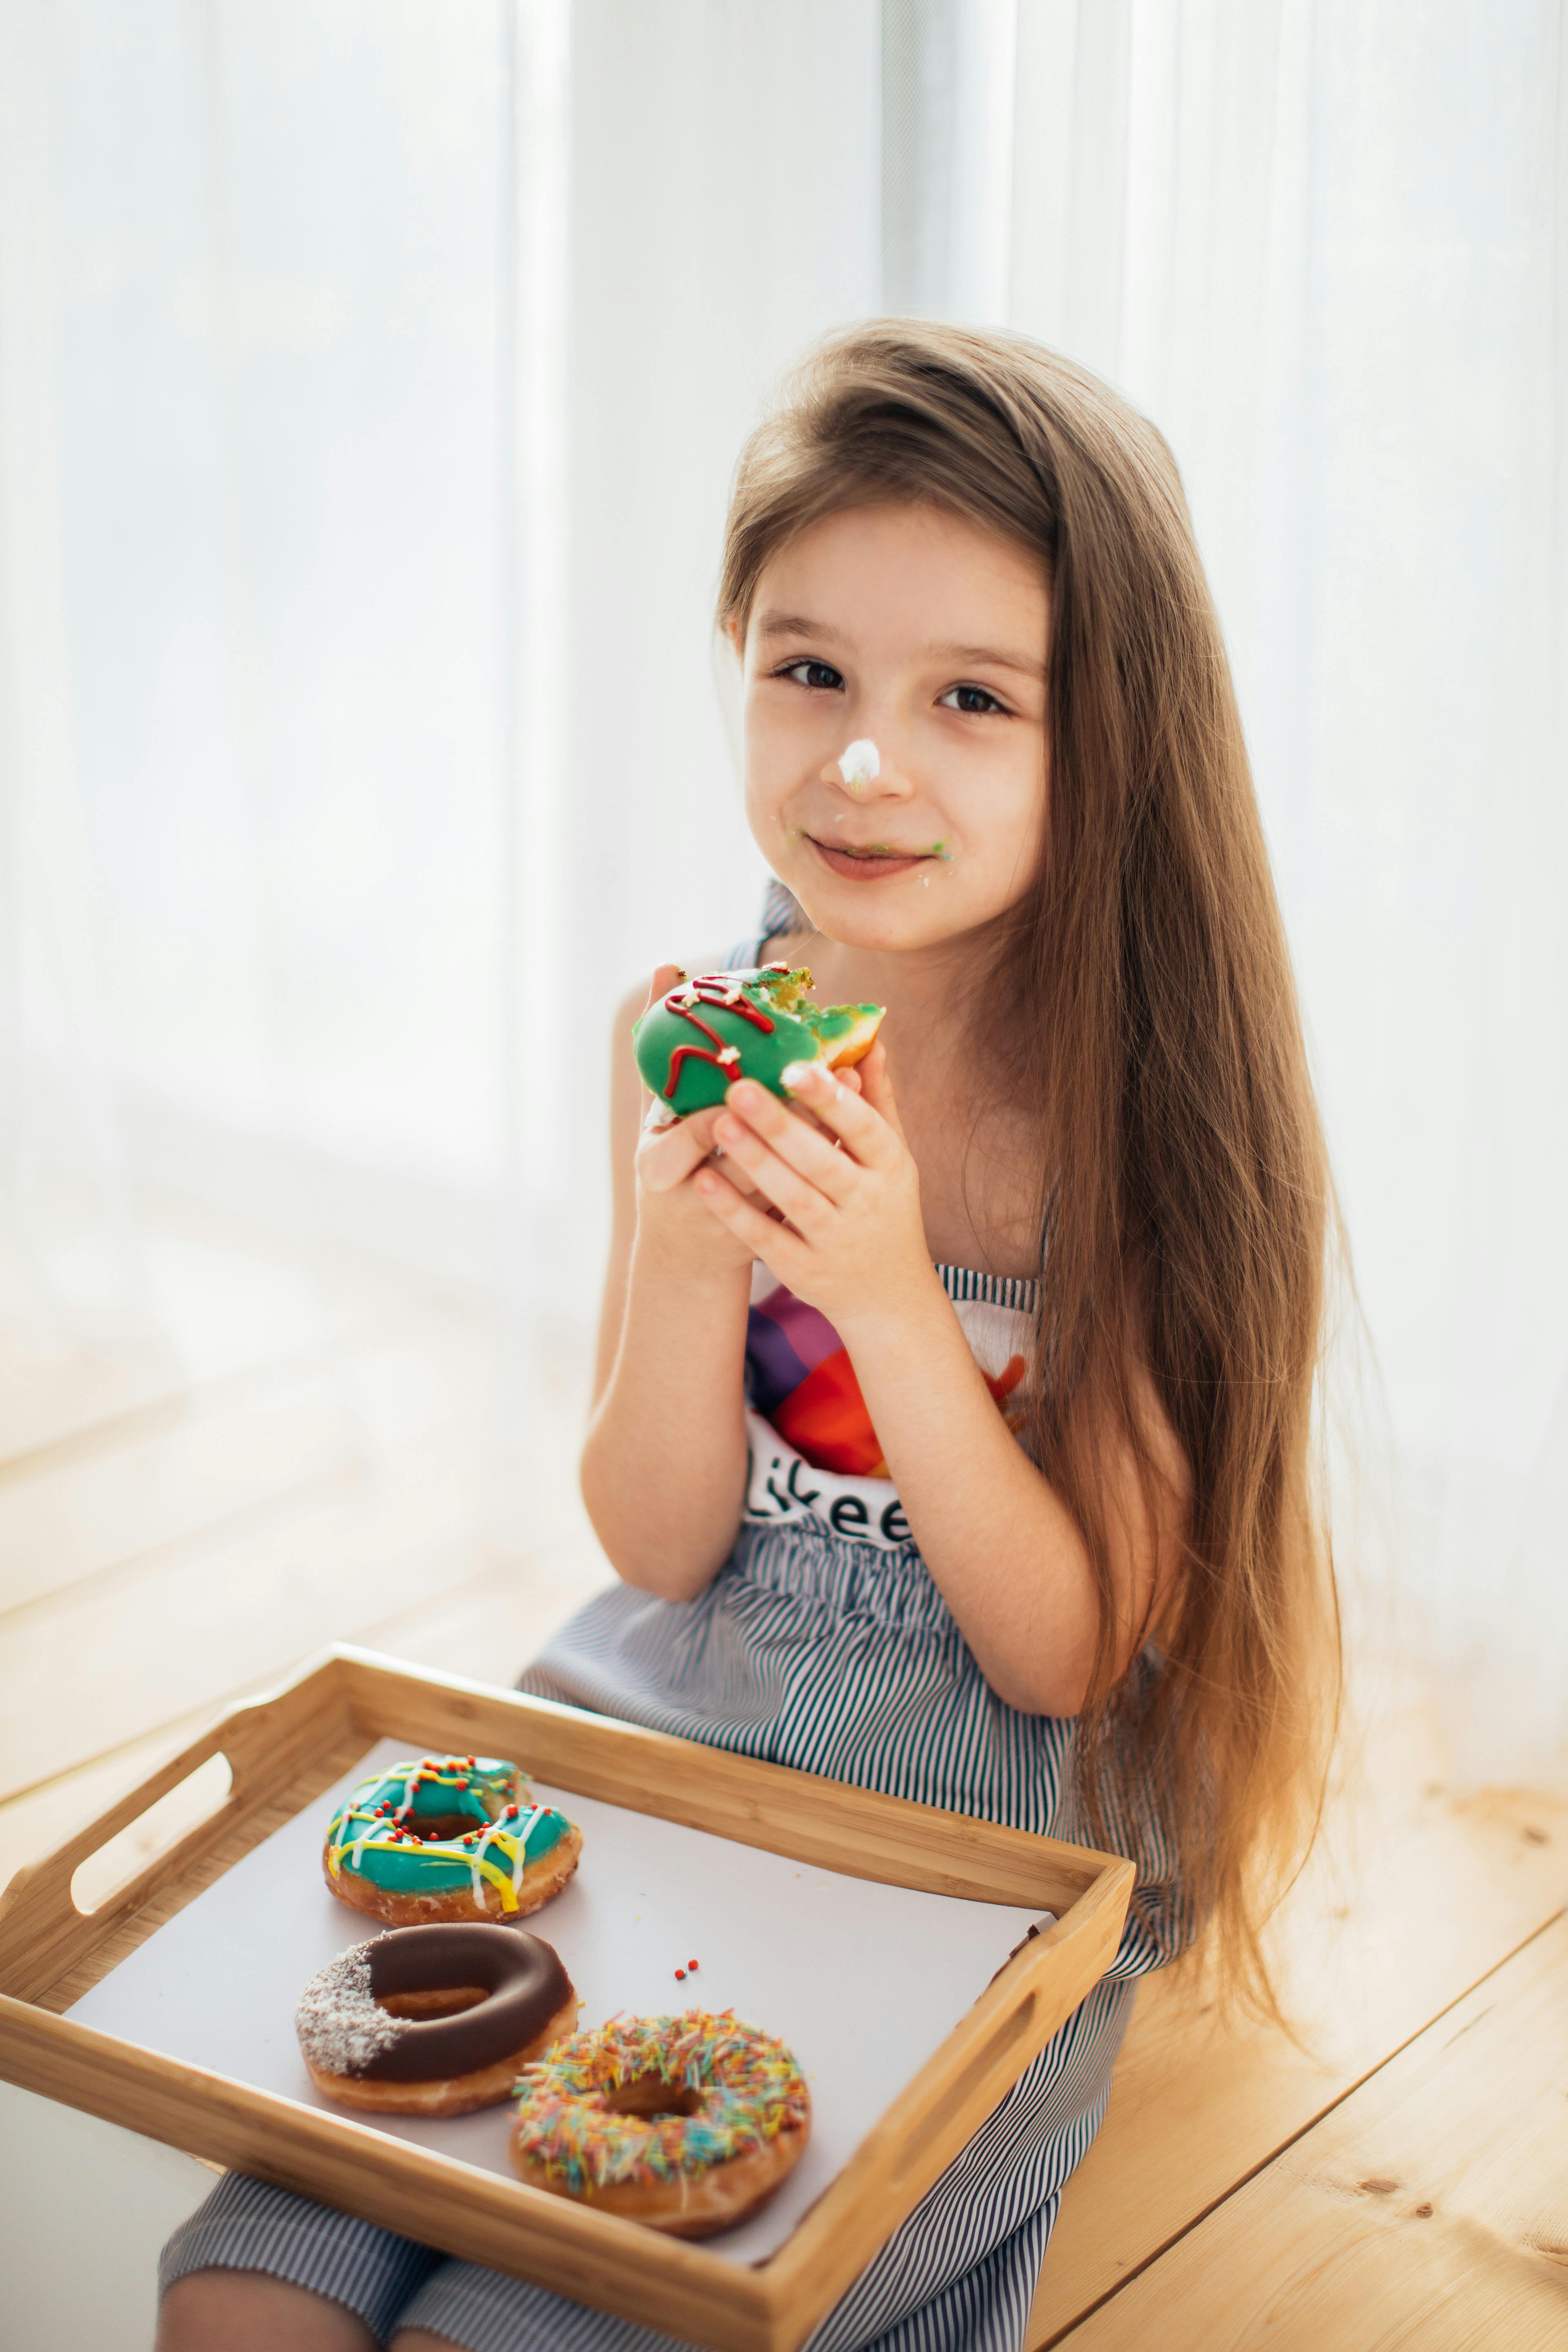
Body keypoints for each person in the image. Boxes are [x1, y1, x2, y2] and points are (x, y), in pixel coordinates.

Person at [157, 321, 1340, 2352]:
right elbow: (655, 1540)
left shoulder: (1137, 1124)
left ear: (1113, 743)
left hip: (968, 1824)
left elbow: (1063, 1650)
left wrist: (884, 1293)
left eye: (970, 697)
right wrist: (693, 1259)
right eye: (809, 673)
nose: (863, 761)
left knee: (520, 2325)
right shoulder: (685, 1034)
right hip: (661, 1729)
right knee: (251, 2304)